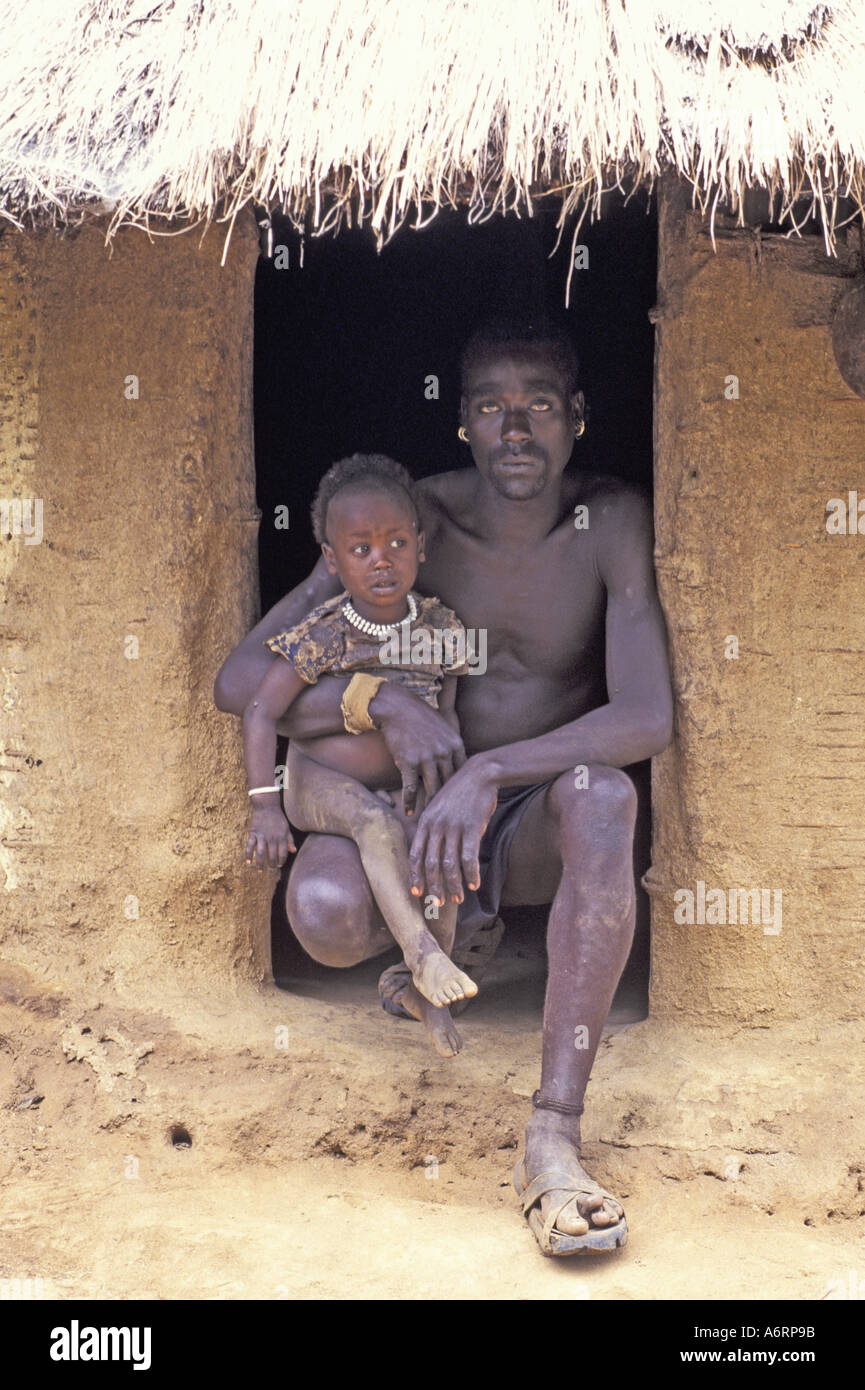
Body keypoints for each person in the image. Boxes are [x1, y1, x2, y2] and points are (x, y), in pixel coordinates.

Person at [215, 315, 674, 1255]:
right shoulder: (408, 523)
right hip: (406, 807)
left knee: (606, 797)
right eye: (491, 408)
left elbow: (645, 718)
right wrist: (377, 701)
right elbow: (242, 680)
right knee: (329, 916)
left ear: (577, 416)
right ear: (459, 421)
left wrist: (492, 767)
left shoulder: (611, 521)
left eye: (539, 406)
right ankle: (427, 939)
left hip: (527, 811)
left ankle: (551, 1131)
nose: (516, 430)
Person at [242, 453, 478, 1057]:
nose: (382, 559)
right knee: (374, 825)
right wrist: (265, 808)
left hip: (399, 784)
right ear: (332, 559)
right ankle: (421, 957)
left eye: (397, 542)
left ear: (421, 547)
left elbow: (445, 717)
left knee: (436, 856)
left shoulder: (442, 628)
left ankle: (413, 986)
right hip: (317, 784)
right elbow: (261, 710)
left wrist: (442, 793)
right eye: (361, 548)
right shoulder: (322, 634)